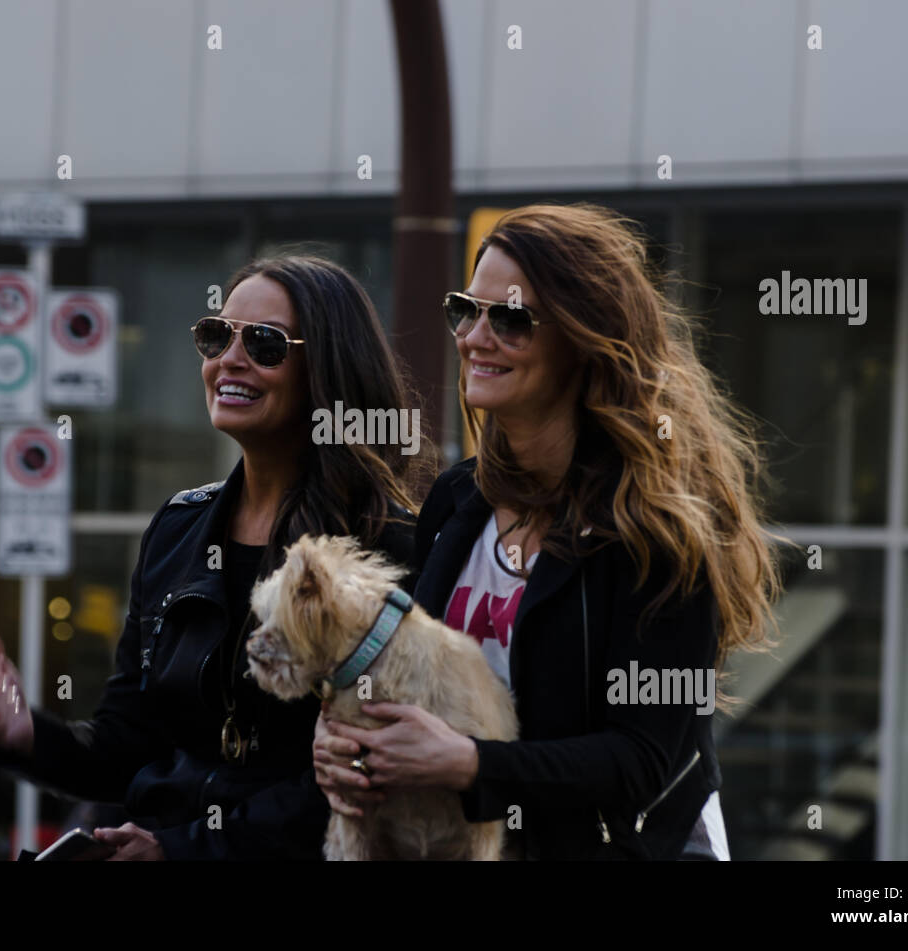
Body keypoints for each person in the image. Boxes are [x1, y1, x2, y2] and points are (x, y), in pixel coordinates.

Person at [313, 203, 782, 860]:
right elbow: (416, 678)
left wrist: (471, 766)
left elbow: (640, 762)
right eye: (464, 310)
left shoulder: (656, 527)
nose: (476, 337)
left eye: (509, 318)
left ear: (582, 338)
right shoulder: (456, 499)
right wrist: (347, 737)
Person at [0, 254, 431, 860]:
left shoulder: (386, 544)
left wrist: (183, 849)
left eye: (264, 344)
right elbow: (129, 742)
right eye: (216, 336)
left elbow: (357, 776)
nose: (228, 360)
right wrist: (27, 734)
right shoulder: (178, 529)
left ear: (328, 370)